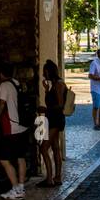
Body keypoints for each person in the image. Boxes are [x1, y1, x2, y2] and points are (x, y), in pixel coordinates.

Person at [0, 60, 28, 200]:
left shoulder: (4, 85)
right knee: (21, 157)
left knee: (4, 159)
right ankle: (21, 187)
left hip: (10, 127)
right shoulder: (17, 83)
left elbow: (1, 105)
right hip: (22, 125)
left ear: (1, 73)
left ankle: (15, 188)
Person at [38, 59, 66, 187]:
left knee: (44, 148)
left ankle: (50, 178)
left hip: (55, 120)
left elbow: (60, 105)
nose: (44, 75)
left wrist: (45, 109)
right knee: (55, 148)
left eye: (45, 72)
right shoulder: (53, 85)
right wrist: (46, 90)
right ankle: (56, 177)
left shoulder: (59, 84)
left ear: (50, 72)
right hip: (52, 118)